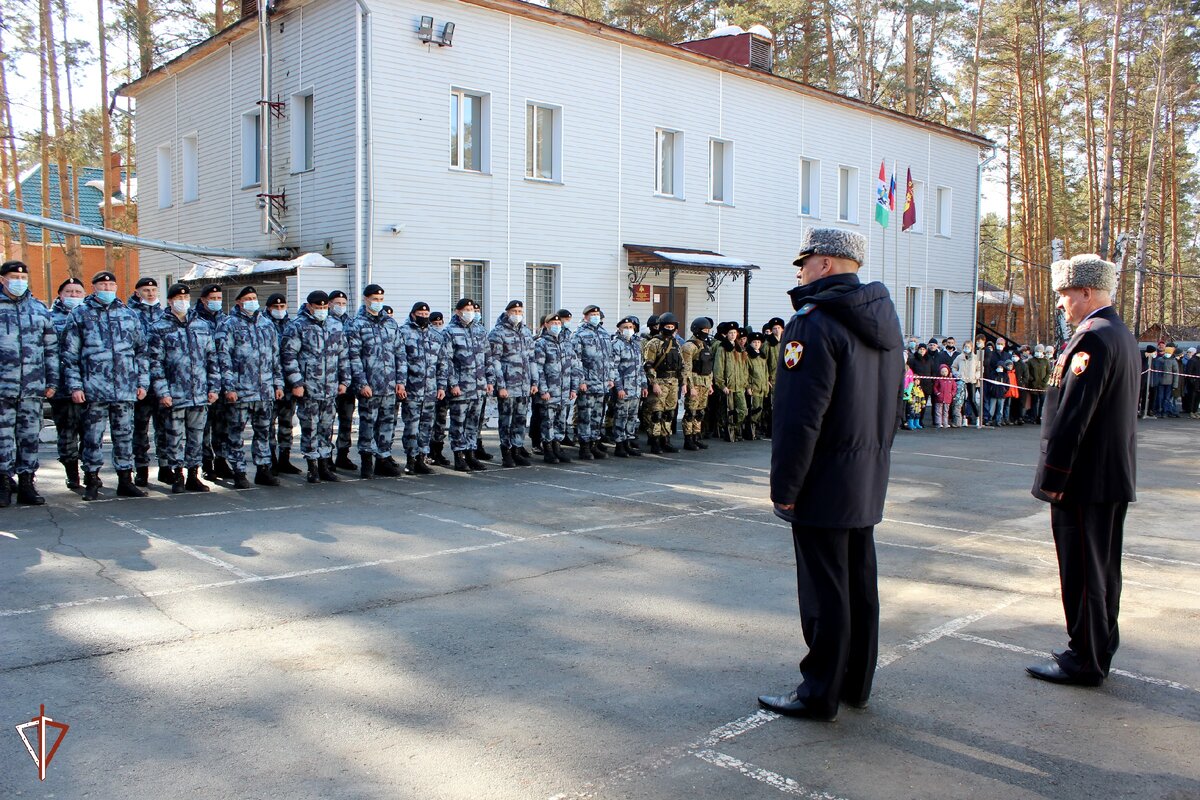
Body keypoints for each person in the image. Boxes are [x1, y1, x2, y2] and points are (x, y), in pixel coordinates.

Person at [759, 227, 903, 721]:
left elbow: (800, 416)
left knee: (825, 593)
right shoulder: (882, 319)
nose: (799, 273)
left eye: (803, 263)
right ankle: (855, 682)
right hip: (866, 473)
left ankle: (819, 690)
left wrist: (786, 487)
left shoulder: (814, 322)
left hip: (823, 478)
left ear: (824, 264)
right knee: (859, 585)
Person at [1027, 254, 1139, 687]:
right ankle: (1099, 645)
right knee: (1103, 569)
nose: (1061, 304)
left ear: (1086, 292)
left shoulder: (1092, 338)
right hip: (1108, 475)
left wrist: (1053, 479)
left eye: (1064, 295)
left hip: (1083, 480)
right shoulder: (1119, 334)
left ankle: (1085, 658)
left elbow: (1073, 417)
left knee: (1084, 572)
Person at [62, 271, 150, 501]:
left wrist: (142, 383)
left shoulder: (128, 315)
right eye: (103, 284)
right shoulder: (80, 315)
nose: (108, 288)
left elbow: (141, 352)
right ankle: (91, 479)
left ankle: (125, 480)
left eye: (111, 284)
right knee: (93, 437)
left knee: (124, 436)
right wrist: (75, 386)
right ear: (94, 287)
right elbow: (69, 355)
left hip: (124, 388)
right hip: (94, 389)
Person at [150, 284, 221, 494]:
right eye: (178, 298)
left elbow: (212, 359)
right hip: (175, 394)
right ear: (170, 301)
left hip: (199, 393)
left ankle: (193, 475)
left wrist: (213, 387)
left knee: (196, 437)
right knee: (174, 437)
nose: (183, 301)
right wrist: (162, 391)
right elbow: (155, 363)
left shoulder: (202, 325)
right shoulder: (159, 327)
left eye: (186, 297)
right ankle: (177, 475)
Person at [0, 260, 57, 506]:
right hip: (2, 387)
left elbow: (51, 349)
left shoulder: (39, 309)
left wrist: (52, 380)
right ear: (2, 279)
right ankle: (3, 482)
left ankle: (27, 483)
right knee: (2, 438)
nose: (19, 281)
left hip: (32, 387)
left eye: (23, 277)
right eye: (14, 277)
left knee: (29, 437)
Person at [219, 286, 285, 488]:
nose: (251, 301)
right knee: (236, 433)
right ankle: (239, 471)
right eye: (247, 298)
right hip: (240, 391)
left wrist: (278, 383)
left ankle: (263, 469)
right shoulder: (229, 325)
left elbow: (275, 358)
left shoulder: (266, 325)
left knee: (264, 433)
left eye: (254, 298)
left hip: (264, 391)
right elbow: (224, 359)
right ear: (238, 302)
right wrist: (229, 387)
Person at [281, 290, 349, 483]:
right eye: (317, 307)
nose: (321, 310)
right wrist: (297, 382)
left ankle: (325, 464)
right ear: (309, 306)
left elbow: (342, 356)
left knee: (326, 427)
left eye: (324, 307)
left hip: (330, 387)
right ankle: (312, 466)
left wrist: (344, 381)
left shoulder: (335, 326)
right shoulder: (298, 326)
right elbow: (289, 356)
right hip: (309, 388)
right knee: (310, 427)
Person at [346, 284, 407, 479]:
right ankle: (366, 460)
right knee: (368, 423)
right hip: (369, 386)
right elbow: (353, 357)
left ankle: (383, 458)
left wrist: (401, 381)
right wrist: (361, 383)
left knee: (387, 423)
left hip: (389, 385)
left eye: (380, 299)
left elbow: (400, 353)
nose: (377, 303)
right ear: (365, 299)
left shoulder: (390, 324)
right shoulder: (356, 324)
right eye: (374, 299)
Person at [127, 276, 167, 486]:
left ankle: (165, 466)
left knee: (165, 429)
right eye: (146, 290)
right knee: (140, 429)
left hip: (162, 384)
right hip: (140, 383)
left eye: (153, 290)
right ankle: (141, 469)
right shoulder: (129, 315)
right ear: (137, 292)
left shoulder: (164, 315)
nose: (150, 294)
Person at [488, 300, 537, 467]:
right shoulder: (498, 332)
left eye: (520, 311)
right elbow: (495, 361)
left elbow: (532, 359)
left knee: (521, 420)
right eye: (514, 311)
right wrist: (500, 385)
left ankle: (517, 449)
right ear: (507, 312)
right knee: (506, 421)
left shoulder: (526, 331)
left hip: (524, 385)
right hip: (508, 385)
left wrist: (534, 382)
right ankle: (506, 452)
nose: (517, 314)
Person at [48, 278, 86, 490]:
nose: (74, 295)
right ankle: (72, 472)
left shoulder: (91, 316)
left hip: (91, 386)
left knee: (90, 433)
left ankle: (90, 470)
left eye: (78, 292)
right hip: (62, 387)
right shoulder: (50, 318)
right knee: (68, 432)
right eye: (69, 292)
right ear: (60, 294)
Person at [446, 298, 493, 472]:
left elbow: (488, 358)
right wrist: (453, 384)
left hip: (479, 386)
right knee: (458, 423)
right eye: (466, 309)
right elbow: (447, 361)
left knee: (474, 423)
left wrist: (490, 380)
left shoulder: (480, 331)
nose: (470, 312)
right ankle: (459, 456)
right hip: (461, 387)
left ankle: (471, 454)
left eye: (472, 309)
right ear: (457, 311)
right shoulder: (450, 332)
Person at [399, 302, 446, 475]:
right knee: (411, 427)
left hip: (430, 390)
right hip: (412, 389)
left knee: (426, 426)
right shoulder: (403, 332)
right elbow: (400, 361)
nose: (424, 316)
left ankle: (421, 459)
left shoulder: (436, 336)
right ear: (413, 314)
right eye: (420, 313)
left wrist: (441, 386)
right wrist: (401, 384)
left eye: (426, 314)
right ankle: (410, 459)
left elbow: (442, 363)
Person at [192, 284, 229, 480]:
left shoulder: (226, 320)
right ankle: (207, 463)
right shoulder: (195, 320)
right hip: (203, 383)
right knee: (204, 428)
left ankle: (222, 461)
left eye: (219, 298)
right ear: (203, 300)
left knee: (222, 427)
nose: (216, 301)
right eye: (212, 298)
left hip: (224, 382)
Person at [572, 304, 615, 460]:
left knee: (598, 417)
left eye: (597, 314)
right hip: (588, 384)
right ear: (585, 317)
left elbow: (610, 358)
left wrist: (611, 377)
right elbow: (575, 360)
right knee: (586, 417)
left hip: (602, 384)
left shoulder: (604, 333)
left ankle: (594, 444)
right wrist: (581, 380)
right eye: (592, 314)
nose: (595, 317)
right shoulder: (579, 334)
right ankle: (584, 447)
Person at [265, 293, 302, 476]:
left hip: (288, 383)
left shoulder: (292, 325)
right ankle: (270, 459)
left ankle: (284, 459)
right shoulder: (263, 325)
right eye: (275, 307)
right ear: (268, 308)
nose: (279, 310)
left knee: (287, 423)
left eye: (282, 307)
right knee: (268, 424)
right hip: (269, 384)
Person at [533, 312, 577, 464]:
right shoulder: (541, 344)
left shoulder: (566, 344)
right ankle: (548, 449)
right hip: (550, 392)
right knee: (547, 422)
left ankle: (557, 446)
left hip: (564, 392)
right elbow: (538, 369)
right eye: (553, 323)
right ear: (546, 325)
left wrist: (573, 388)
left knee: (560, 422)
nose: (557, 326)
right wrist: (543, 390)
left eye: (559, 324)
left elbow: (574, 367)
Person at [641, 312, 684, 453]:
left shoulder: (676, 343)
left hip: (673, 382)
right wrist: (654, 383)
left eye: (672, 326)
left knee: (669, 414)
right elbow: (648, 365)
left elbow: (681, 364)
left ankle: (666, 439)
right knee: (656, 414)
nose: (669, 328)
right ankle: (655, 441)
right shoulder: (654, 343)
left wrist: (683, 383)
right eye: (667, 326)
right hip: (659, 381)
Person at [328, 289, 358, 472]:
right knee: (327, 422)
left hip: (348, 381)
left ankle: (342, 454)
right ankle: (326, 457)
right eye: (337, 303)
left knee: (346, 420)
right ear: (329, 303)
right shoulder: (325, 322)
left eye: (343, 303)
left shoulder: (350, 323)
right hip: (328, 381)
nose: (340, 306)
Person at [610, 316, 647, 457]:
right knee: (621, 416)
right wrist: (618, 388)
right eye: (625, 327)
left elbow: (640, 368)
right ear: (619, 329)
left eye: (631, 327)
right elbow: (614, 369)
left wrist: (644, 385)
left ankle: (628, 442)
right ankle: (619, 445)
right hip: (624, 388)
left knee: (632, 417)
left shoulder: (636, 344)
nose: (628, 330)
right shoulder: (616, 344)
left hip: (636, 388)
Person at [680, 317, 715, 451]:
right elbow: (686, 368)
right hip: (694, 383)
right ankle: (688, 439)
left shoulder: (705, 345)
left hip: (705, 383)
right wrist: (690, 386)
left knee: (700, 412)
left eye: (708, 330)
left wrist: (710, 384)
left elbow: (708, 366)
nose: (706, 332)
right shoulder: (689, 346)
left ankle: (696, 436)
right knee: (691, 412)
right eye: (704, 330)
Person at [427, 311, 452, 467]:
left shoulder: (445, 339)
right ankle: (427, 452)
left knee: (441, 421)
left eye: (440, 323)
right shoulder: (428, 338)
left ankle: (438, 451)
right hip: (428, 388)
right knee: (428, 422)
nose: (438, 326)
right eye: (434, 323)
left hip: (443, 387)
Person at [745, 331, 770, 439]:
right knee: (754, 409)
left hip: (762, 386)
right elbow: (746, 372)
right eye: (754, 342)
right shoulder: (748, 356)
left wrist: (767, 382)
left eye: (759, 342)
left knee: (760, 409)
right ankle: (750, 431)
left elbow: (765, 371)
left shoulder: (762, 356)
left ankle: (755, 430)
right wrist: (748, 386)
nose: (756, 344)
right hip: (754, 386)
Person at [1182, 347, 1200, 417]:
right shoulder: (1192, 360)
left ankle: (1195, 411)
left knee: (1197, 398)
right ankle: (1191, 411)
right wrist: (1192, 381)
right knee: (1192, 397)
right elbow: (1188, 372)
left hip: (1198, 382)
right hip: (1193, 383)